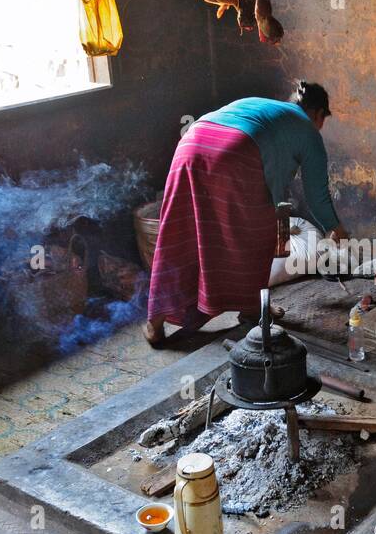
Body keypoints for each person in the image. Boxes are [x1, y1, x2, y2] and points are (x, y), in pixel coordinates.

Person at [144, 81, 348, 346]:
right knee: (256, 237)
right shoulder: (309, 131)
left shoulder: (263, 105)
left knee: (180, 233)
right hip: (235, 152)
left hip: (191, 144)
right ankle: (252, 308)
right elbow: (317, 195)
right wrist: (335, 227)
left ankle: (155, 322)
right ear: (319, 114)